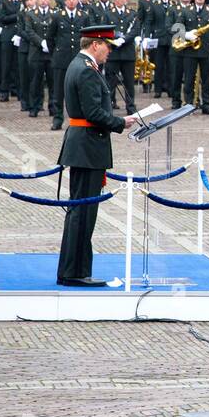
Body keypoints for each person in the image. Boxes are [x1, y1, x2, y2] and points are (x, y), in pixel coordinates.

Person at [55, 25, 136, 287]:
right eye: (107, 47)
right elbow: (93, 113)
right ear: (95, 44)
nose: (109, 52)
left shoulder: (78, 64)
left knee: (81, 210)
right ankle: (75, 272)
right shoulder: (87, 71)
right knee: (83, 211)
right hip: (88, 147)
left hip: (83, 146)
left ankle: (74, 269)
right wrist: (121, 122)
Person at [176, 0, 209, 115]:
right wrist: (186, 34)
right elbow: (178, 28)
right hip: (190, 50)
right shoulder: (186, 11)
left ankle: (206, 104)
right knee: (189, 79)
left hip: (206, 50)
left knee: (207, 80)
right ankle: (189, 104)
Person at [46, 0, 86, 129]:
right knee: (58, 91)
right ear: (65, 1)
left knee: (80, 89)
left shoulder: (83, 16)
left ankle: (79, 118)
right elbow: (50, 38)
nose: (72, 1)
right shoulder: (57, 16)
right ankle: (57, 119)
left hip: (78, 59)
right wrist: (55, 54)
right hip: (61, 59)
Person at [105, 0, 140, 116]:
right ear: (114, 0)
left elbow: (135, 30)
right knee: (110, 83)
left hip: (127, 53)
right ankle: (108, 107)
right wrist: (115, 38)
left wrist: (124, 39)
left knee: (129, 83)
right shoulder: (108, 14)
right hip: (113, 53)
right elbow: (106, 30)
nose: (120, 1)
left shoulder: (132, 14)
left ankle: (131, 107)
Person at [22, 0, 53, 118]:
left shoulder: (54, 14)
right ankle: (34, 107)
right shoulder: (30, 14)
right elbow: (29, 31)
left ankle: (53, 107)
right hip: (36, 53)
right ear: (37, 0)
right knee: (35, 82)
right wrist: (41, 43)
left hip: (51, 54)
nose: (44, 1)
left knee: (53, 82)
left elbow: (57, 32)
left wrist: (49, 43)